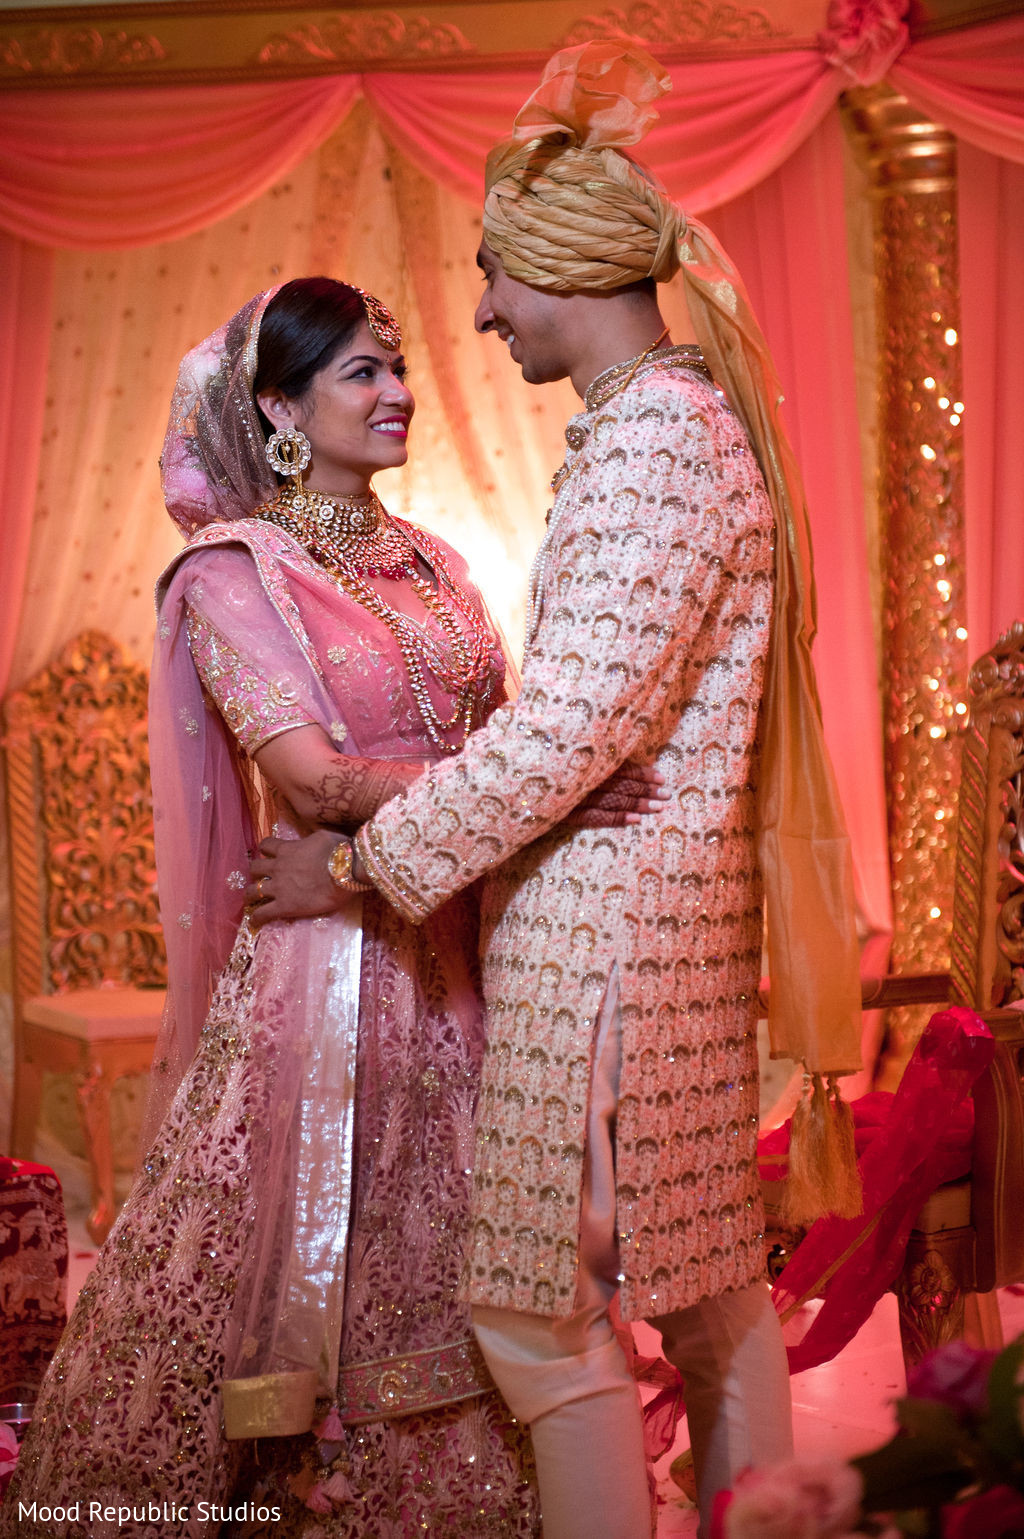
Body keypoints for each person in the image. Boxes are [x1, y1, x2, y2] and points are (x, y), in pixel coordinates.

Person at [249, 43, 865, 1539]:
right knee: (712, 1300)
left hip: (605, 941)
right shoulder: (670, 424)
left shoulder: (656, 438)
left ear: (563, 271)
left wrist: (357, 866)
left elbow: (568, 731)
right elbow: (590, 727)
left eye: (490, 276)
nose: (476, 312)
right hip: (654, 927)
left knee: (534, 1311)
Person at [3, 277, 662, 1539]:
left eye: (397, 364)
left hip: (470, 948)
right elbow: (314, 779)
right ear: (278, 409)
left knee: (517, 1272)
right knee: (323, 1269)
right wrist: (554, 794)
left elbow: (500, 736)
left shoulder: (436, 560)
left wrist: (530, 788)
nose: (400, 390)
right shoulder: (228, 577)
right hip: (336, 982)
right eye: (362, 371)